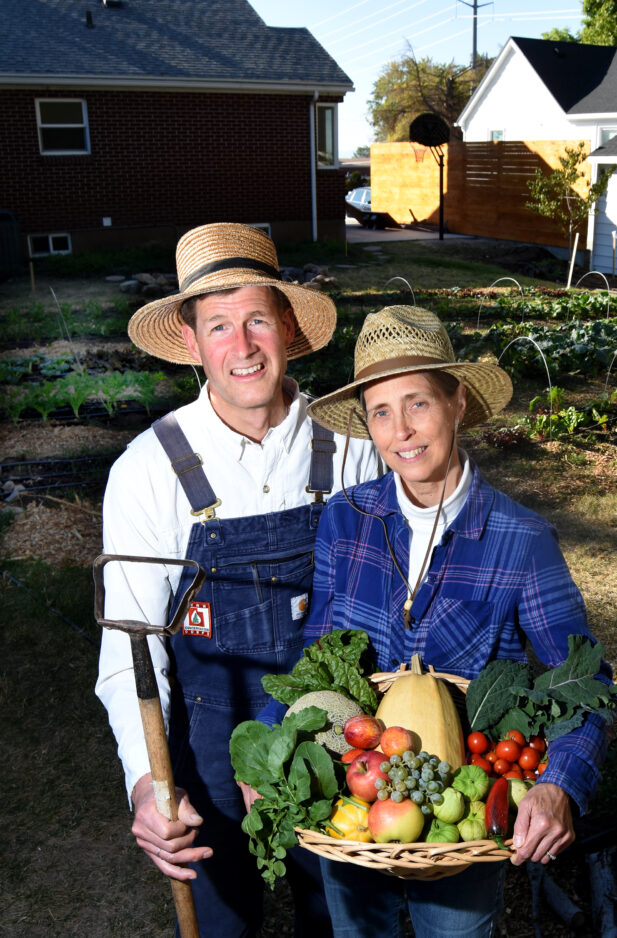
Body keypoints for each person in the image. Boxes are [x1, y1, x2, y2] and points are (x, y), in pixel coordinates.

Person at [95, 223, 381, 938]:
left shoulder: (349, 448)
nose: (243, 344)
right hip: (209, 744)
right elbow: (127, 653)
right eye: (219, 324)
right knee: (226, 922)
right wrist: (146, 782)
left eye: (258, 317)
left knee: (342, 917)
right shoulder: (147, 471)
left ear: (287, 324)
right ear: (191, 342)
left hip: (337, 735)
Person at [290, 305, 613, 938]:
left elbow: (589, 680)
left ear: (458, 403)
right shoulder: (345, 519)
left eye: (418, 404)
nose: (401, 431)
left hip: (457, 817)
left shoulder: (520, 539)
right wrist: (268, 756)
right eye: (381, 412)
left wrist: (560, 785)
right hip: (352, 813)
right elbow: (316, 655)